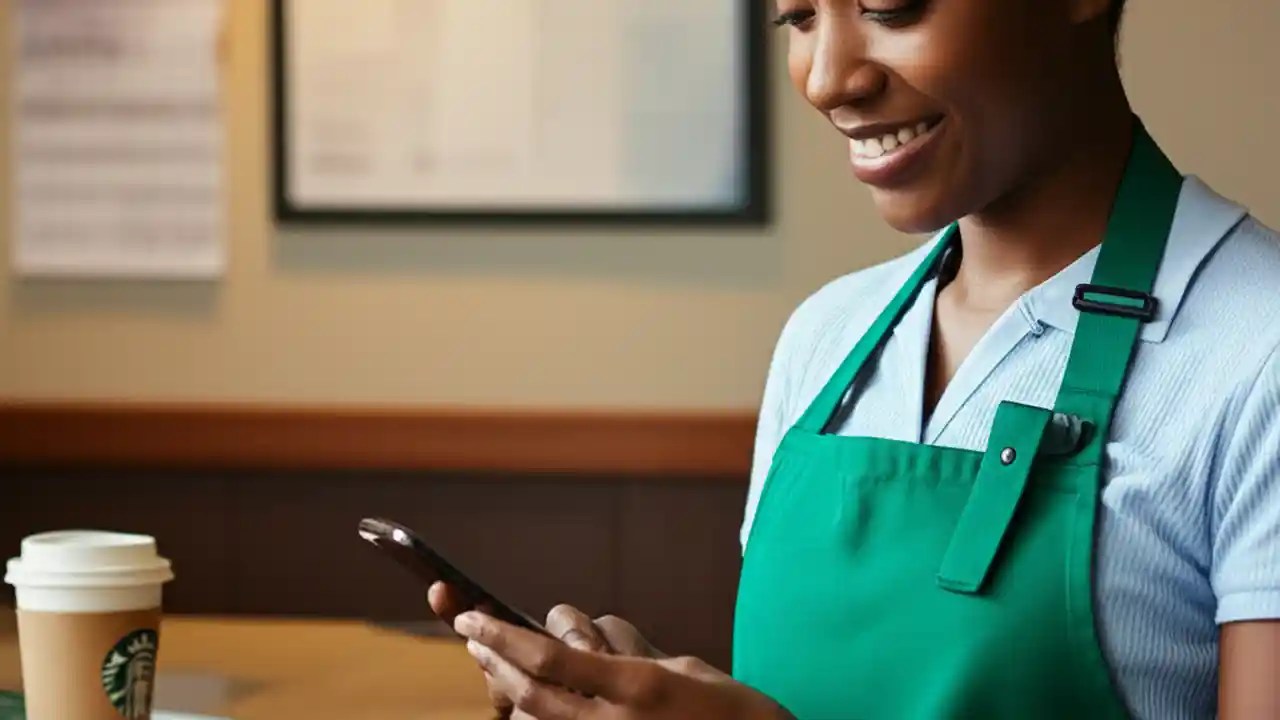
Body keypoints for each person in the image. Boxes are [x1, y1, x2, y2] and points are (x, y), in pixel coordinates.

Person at [431, 0, 1280, 717]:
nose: (829, 77)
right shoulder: (827, 336)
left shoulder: (1259, 350)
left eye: (889, 6)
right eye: (797, 16)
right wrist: (646, 693)